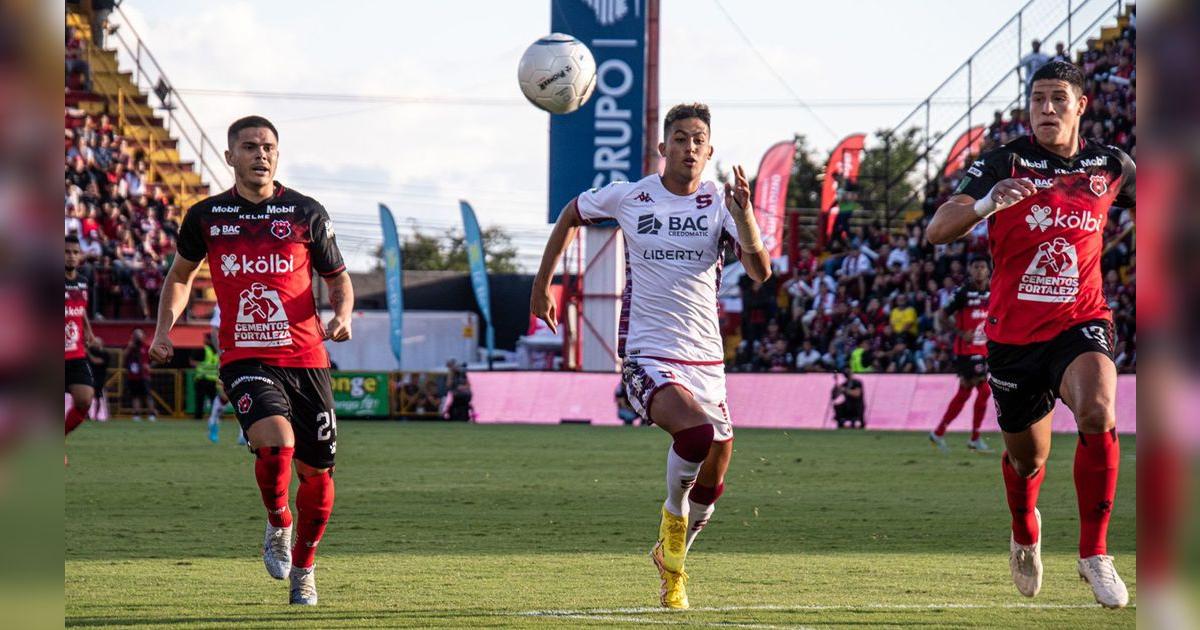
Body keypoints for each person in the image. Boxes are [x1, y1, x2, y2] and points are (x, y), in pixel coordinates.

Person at [530, 103, 771, 609]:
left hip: (706, 360)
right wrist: (542, 284)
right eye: (680, 138)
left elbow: (760, 271)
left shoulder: (719, 203)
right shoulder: (631, 196)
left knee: (716, 471)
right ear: (663, 147)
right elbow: (572, 212)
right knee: (696, 435)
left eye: (698, 140)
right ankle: (673, 528)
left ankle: (671, 556)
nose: (689, 148)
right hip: (648, 354)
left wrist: (745, 214)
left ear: (709, 151)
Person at [926, 61, 1136, 608]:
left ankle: (1095, 553)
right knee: (1027, 460)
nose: (1046, 108)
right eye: (1038, 98)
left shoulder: (1111, 165)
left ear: (1080, 105)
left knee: (1098, 410)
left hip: (1081, 321)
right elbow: (937, 230)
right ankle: (1024, 531)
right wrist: (985, 203)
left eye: (1058, 98)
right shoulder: (1003, 162)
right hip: (1014, 337)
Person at [148, 116, 354, 606]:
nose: (260, 154)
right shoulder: (206, 216)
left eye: (268, 147)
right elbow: (180, 277)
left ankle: (305, 568)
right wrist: (163, 330)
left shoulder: (305, 212)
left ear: (277, 156)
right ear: (230, 156)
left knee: (318, 477)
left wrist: (343, 314)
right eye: (249, 146)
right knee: (277, 444)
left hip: (307, 358)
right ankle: (278, 522)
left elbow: (338, 278)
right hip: (246, 358)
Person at [929, 255, 993, 453]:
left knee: (964, 393)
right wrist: (959, 332)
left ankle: (939, 432)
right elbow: (942, 315)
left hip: (984, 349)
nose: (979, 271)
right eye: (976, 267)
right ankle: (975, 438)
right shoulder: (963, 292)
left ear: (988, 270)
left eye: (982, 267)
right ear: (970, 270)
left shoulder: (993, 291)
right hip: (966, 349)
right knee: (984, 390)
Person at [65, 236, 99, 464]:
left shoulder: (84, 282)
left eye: (75, 252)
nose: (71, 256)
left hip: (76, 354)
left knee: (85, 400)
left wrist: (88, 331)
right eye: (67, 252)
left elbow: (81, 309)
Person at [124, 328, 155, 421]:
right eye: (136, 334)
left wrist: (149, 366)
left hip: (144, 375)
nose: (138, 337)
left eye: (139, 334)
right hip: (133, 376)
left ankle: (151, 414)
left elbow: (155, 358)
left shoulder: (147, 347)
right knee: (135, 395)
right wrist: (129, 347)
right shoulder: (130, 347)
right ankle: (136, 414)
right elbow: (124, 357)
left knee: (148, 395)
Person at [87, 343, 110, 422]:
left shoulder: (105, 354)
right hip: (89, 378)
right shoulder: (91, 351)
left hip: (99, 380)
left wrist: (88, 352)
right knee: (88, 397)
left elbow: (95, 361)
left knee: (97, 398)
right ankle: (87, 415)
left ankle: (96, 415)